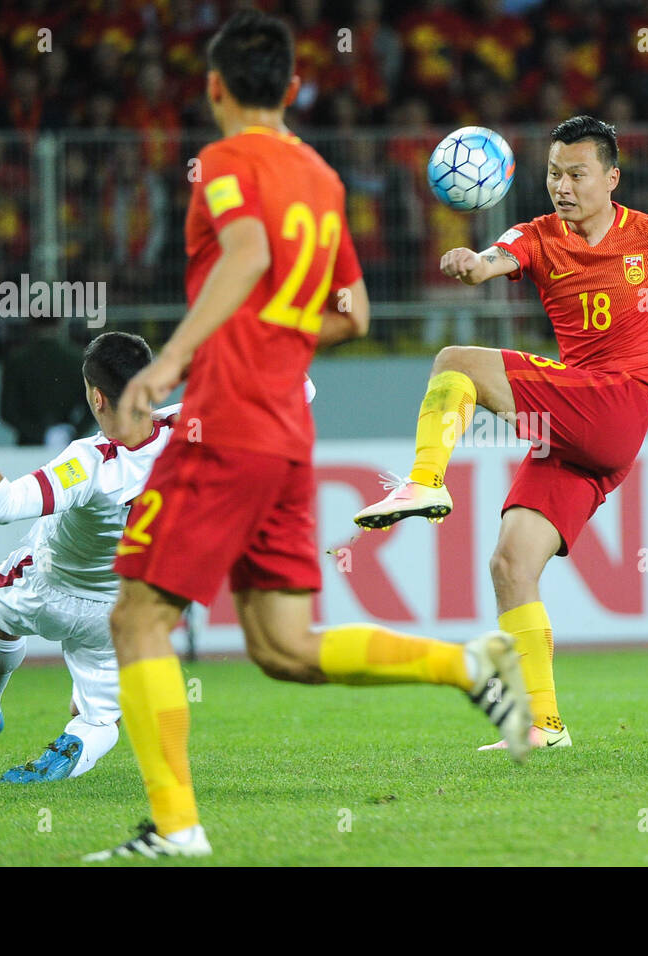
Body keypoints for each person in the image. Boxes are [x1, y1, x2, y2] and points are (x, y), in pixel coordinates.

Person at [85, 9, 530, 863]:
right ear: (292, 88)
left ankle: (176, 829)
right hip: (288, 428)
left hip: (226, 420)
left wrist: (170, 361)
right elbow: (354, 314)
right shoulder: (323, 179)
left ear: (214, 87)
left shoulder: (221, 161)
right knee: (283, 647)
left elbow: (247, 255)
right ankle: (470, 666)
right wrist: (276, 336)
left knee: (138, 620)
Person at [353, 115, 648, 749]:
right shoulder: (537, 235)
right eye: (554, 173)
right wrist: (471, 264)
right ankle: (543, 723)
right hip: (578, 431)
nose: (563, 186)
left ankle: (424, 482)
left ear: (611, 177)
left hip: (617, 405)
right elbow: (493, 261)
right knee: (509, 563)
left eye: (577, 174)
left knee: (454, 363)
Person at [0, 332, 174, 783]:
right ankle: (71, 746)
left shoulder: (89, 463)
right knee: (101, 717)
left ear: (97, 396)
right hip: (116, 609)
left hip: (43, 588)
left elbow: (2, 506)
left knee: (1, 624)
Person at [0, 315, 89, 447]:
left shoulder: (17, 360)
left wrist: (39, 434)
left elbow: (7, 411)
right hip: (67, 445)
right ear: (62, 320)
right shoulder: (77, 359)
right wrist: (72, 432)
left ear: (30, 321)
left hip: (28, 445)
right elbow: (92, 407)